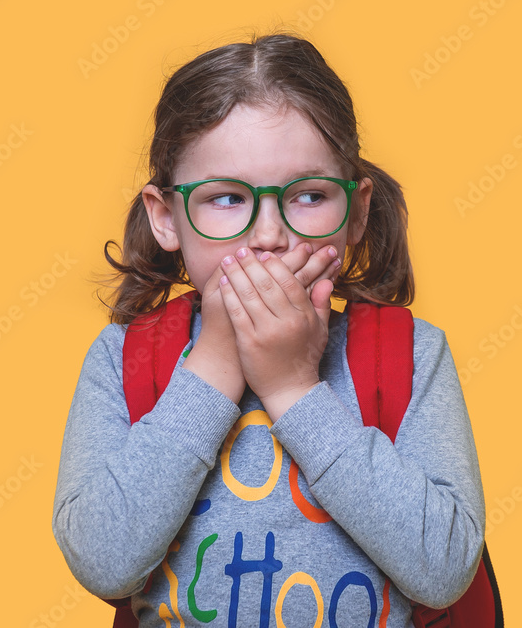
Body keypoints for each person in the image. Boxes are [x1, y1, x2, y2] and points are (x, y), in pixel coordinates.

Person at [52, 32, 486, 627]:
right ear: (166, 218)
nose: (268, 235)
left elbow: (444, 571)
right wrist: (216, 363)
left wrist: (292, 389)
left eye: (308, 195)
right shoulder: (119, 360)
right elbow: (103, 561)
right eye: (227, 199)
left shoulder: (412, 356)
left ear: (356, 213)